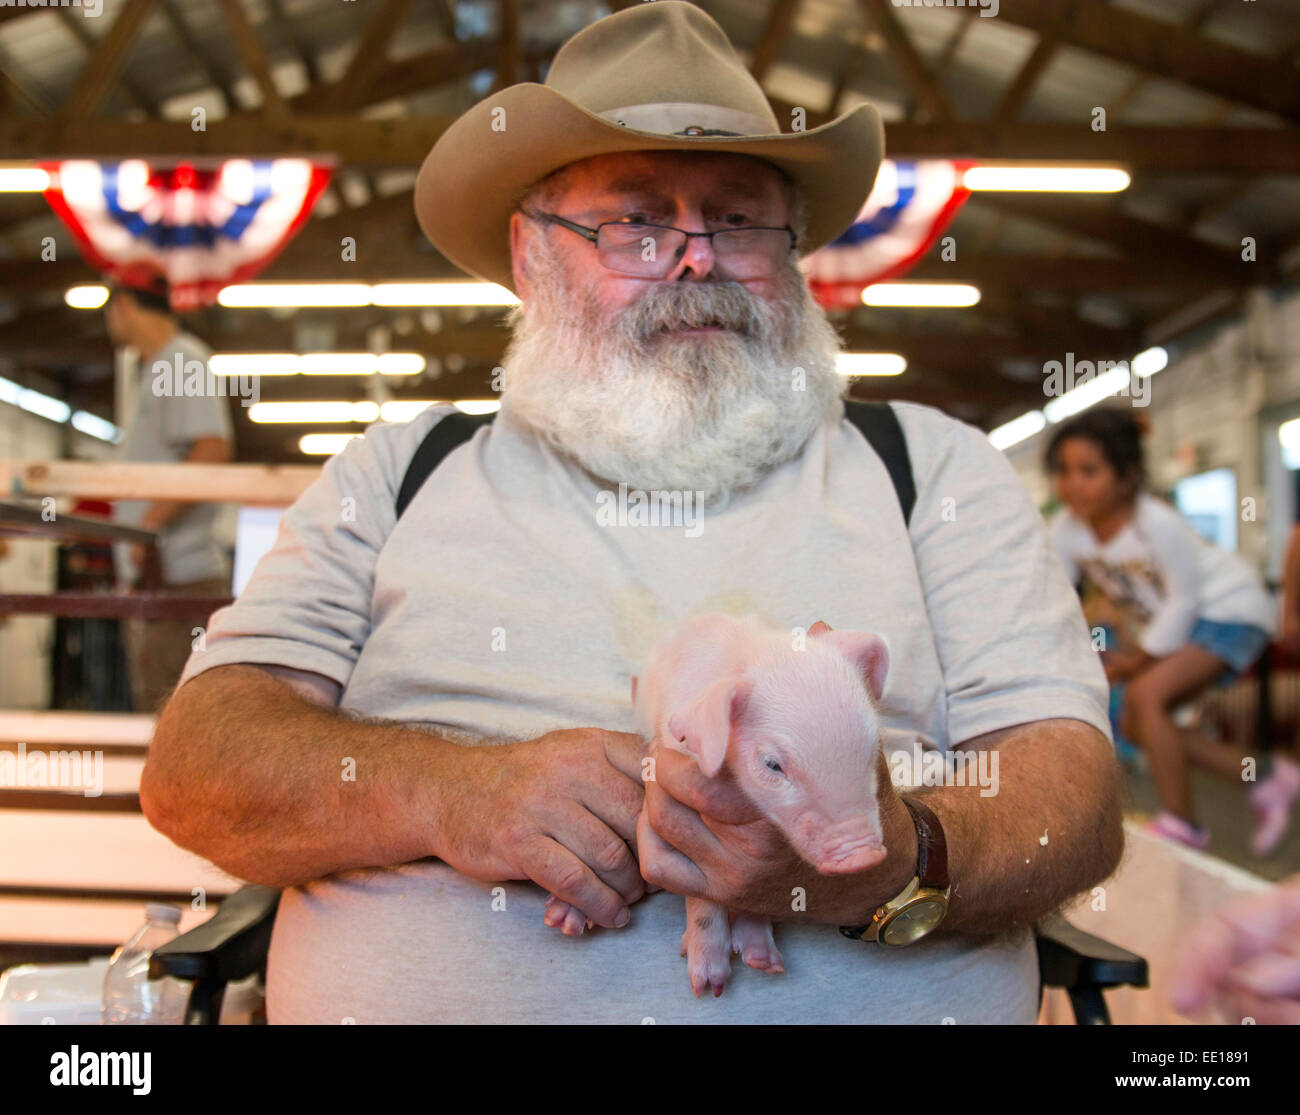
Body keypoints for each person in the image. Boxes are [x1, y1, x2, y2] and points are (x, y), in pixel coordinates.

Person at [140, 2, 1121, 1024]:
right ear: (530, 258)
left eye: (738, 219)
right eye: (636, 221)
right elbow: (200, 760)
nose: (694, 256)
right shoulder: (396, 472)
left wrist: (895, 854)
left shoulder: (934, 470)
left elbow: (1073, 797)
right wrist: (450, 792)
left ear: (789, 254)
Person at [1047, 407, 1277, 851]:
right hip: (1189, 622)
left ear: (1128, 476)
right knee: (1138, 725)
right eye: (1064, 471)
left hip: (1231, 609)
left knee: (1146, 697)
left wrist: (1138, 663)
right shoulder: (1067, 529)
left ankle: (1183, 824)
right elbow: (1057, 594)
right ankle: (1266, 777)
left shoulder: (1157, 522)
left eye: (1089, 471)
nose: (1072, 484)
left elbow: (1184, 600)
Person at [103, 271, 234, 712]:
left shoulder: (182, 362)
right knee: (160, 712)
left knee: (175, 716)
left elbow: (212, 449)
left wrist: (148, 527)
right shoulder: (154, 367)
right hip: (159, 578)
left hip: (180, 578)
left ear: (122, 303)